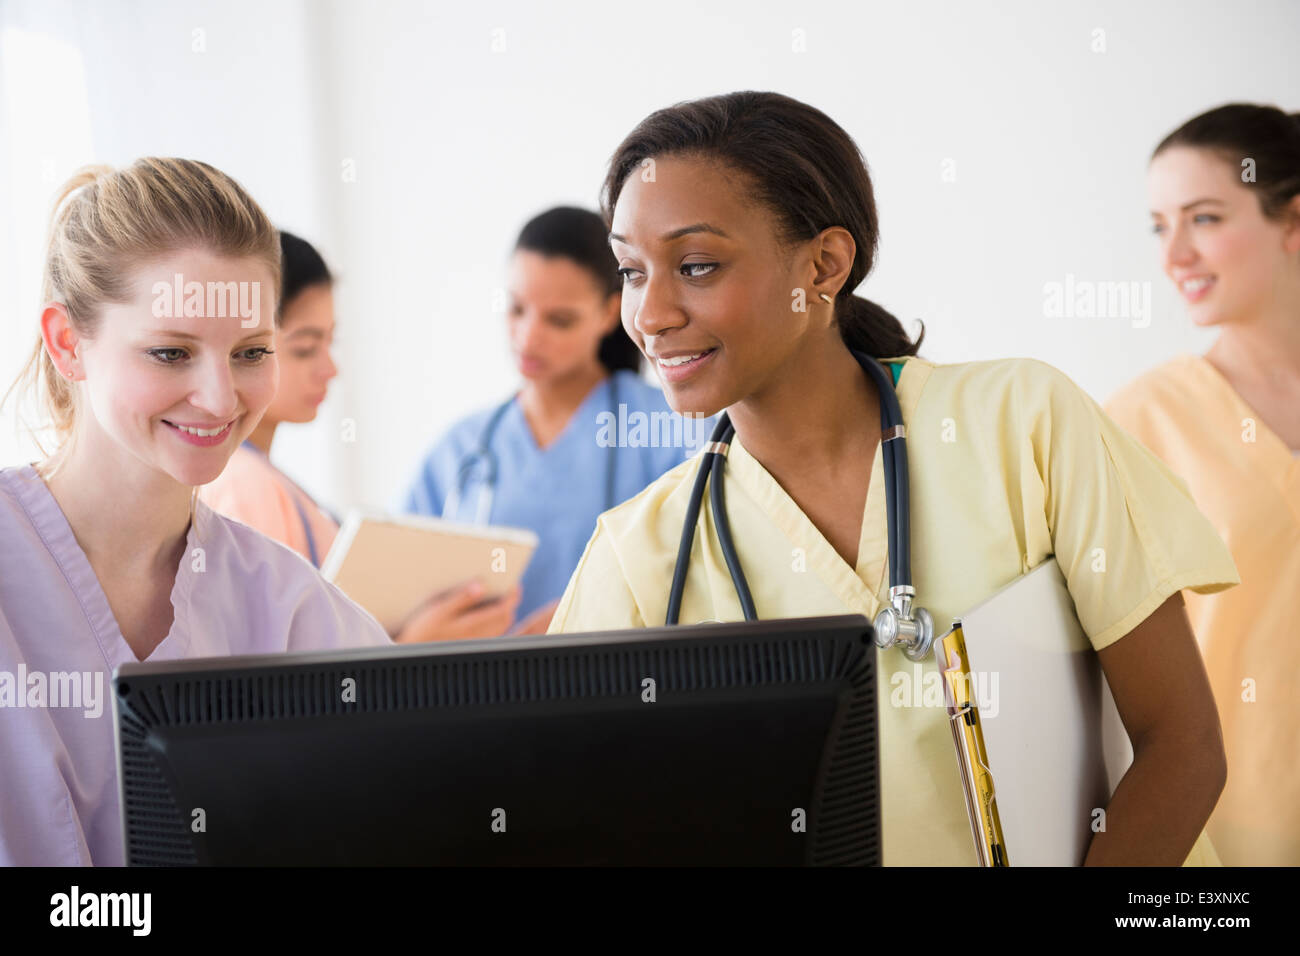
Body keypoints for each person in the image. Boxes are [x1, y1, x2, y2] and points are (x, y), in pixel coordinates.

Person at [548, 91, 1239, 867]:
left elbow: (1182, 744)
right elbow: (576, 817)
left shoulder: (1022, 423)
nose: (651, 314)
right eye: (632, 272)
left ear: (823, 264)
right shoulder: (638, 556)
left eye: (697, 265)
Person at [0, 159, 392, 866]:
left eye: (251, 352)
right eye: (171, 352)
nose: (219, 398)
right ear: (68, 343)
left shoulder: (287, 606)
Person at [1106, 103, 1300, 867]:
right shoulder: (1140, 422)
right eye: (1160, 226)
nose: (1174, 254)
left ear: (1292, 221)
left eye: (1205, 218)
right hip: (1234, 844)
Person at [203, 231, 521, 643]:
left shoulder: (264, 480)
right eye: (304, 348)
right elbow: (279, 688)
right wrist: (411, 649)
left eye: (329, 342)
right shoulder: (244, 486)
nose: (330, 368)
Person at [402, 207, 710, 631]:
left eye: (559, 320)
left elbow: (707, 575)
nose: (528, 336)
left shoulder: (673, 428)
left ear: (608, 313)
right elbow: (396, 600)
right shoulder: (462, 449)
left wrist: (589, 609)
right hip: (484, 689)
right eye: (516, 309)